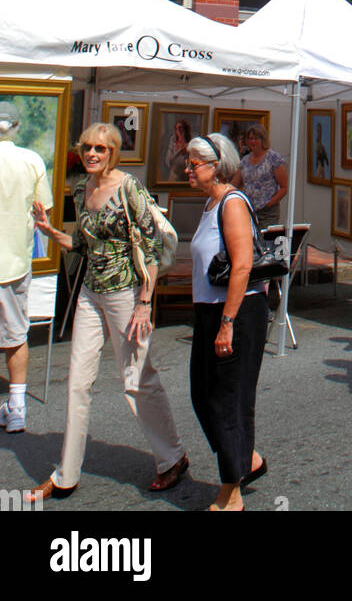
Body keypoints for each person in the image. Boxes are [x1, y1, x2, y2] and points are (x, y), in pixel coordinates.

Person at [27, 123, 187, 501]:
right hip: (89, 292)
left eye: (100, 148)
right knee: (77, 382)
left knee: (136, 378)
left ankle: (172, 457)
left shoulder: (128, 186)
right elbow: (82, 244)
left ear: (113, 151)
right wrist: (50, 231)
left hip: (126, 294)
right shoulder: (82, 188)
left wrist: (145, 303)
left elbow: (149, 247)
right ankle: (66, 473)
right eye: (87, 148)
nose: (93, 154)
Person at [187, 132, 269, 511]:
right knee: (202, 395)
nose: (187, 169)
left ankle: (230, 493)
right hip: (208, 311)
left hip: (237, 312)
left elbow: (243, 265)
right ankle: (244, 459)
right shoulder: (210, 203)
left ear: (216, 166)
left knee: (228, 401)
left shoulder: (233, 203)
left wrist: (227, 322)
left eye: (194, 163)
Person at [0, 102, 53, 434]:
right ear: (16, 126)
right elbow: (42, 209)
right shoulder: (31, 160)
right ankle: (17, 407)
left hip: (13, 259)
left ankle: (16, 407)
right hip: (15, 260)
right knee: (16, 334)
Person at [234, 124, 287, 219]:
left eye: (256, 139)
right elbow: (234, 184)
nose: (253, 141)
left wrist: (269, 204)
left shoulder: (274, 158)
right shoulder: (245, 160)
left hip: (267, 213)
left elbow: (284, 188)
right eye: (250, 139)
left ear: (263, 140)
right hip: (248, 211)